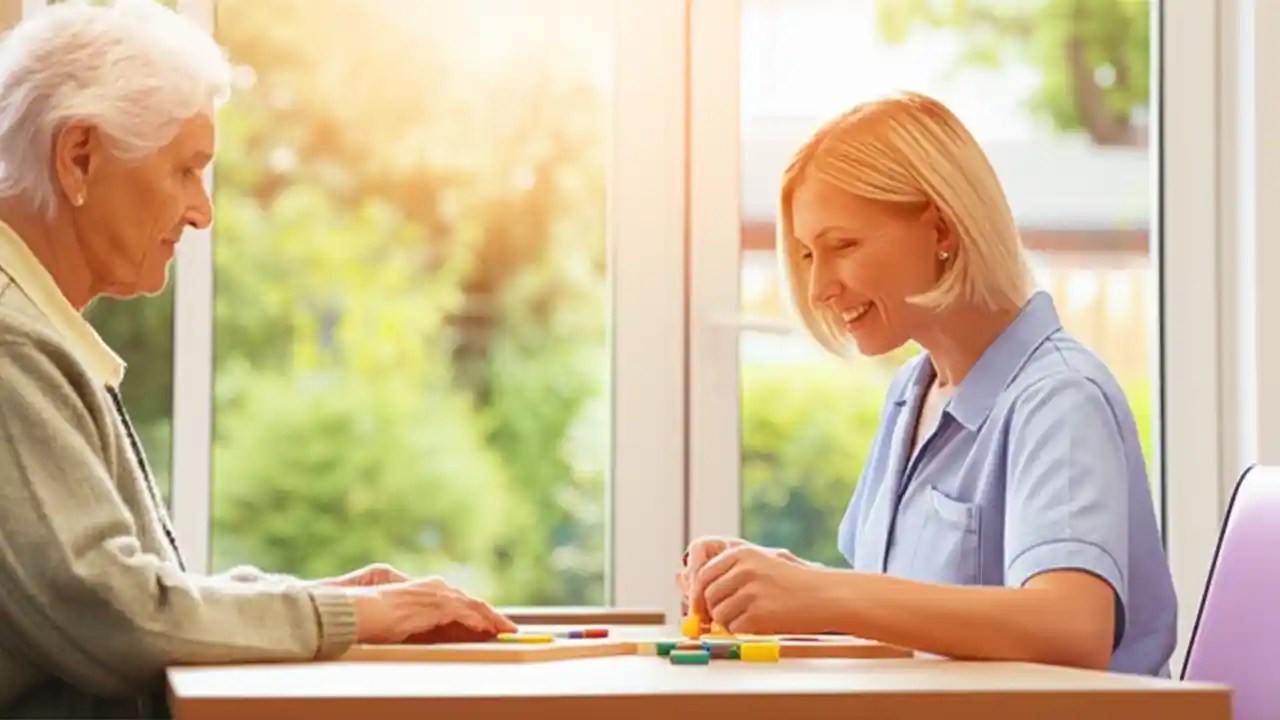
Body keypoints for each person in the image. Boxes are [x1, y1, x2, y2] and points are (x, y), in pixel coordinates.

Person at [0, 2, 514, 717]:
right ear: (79, 155)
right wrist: (347, 617)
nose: (202, 211)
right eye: (184, 169)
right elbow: (115, 612)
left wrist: (326, 602)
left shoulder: (31, 331)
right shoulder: (11, 341)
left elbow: (138, 594)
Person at [679, 91, 1176, 677]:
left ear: (941, 229)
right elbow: (903, 610)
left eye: (843, 245)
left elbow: (1073, 628)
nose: (819, 289)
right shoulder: (914, 394)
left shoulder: (1058, 399)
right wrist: (784, 583)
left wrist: (822, 595)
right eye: (810, 255)